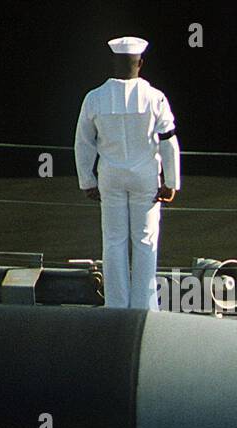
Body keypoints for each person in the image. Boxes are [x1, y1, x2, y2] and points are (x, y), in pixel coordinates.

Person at [74, 36, 180, 310]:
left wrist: (87, 180)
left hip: (110, 176)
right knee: (145, 241)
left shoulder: (94, 98)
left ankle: (116, 304)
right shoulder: (155, 98)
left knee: (113, 240)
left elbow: (83, 142)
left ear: (113, 62)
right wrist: (171, 181)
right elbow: (168, 141)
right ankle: (144, 306)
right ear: (140, 63)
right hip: (145, 176)